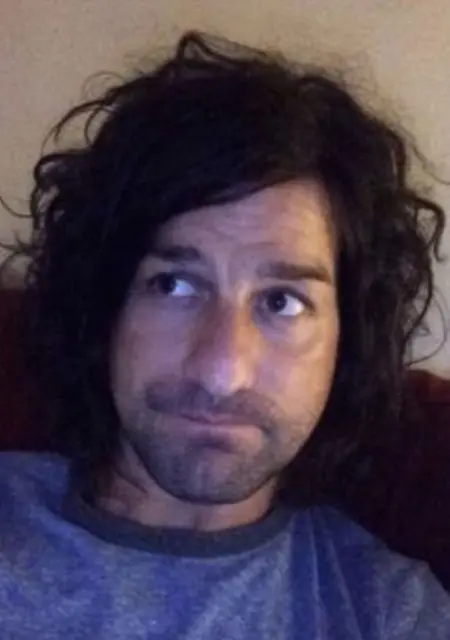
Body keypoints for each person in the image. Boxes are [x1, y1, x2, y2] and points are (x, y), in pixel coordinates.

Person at [1, 31, 449, 639]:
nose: (221, 371)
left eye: (282, 301)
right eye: (174, 286)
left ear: (347, 341)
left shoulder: (392, 616)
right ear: (105, 304)